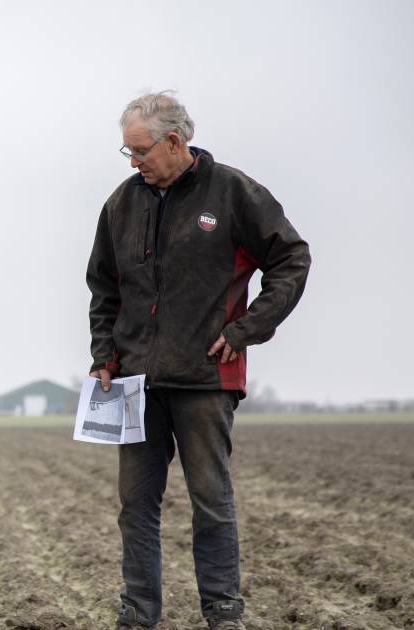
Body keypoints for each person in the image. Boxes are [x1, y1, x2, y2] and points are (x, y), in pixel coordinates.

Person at [86, 92, 310, 630]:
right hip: (136, 381)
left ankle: (222, 613)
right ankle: (138, 614)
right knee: (135, 506)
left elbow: (291, 258)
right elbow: (103, 287)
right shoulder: (121, 203)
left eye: (139, 150)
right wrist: (104, 356)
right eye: (127, 152)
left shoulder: (232, 192)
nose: (133, 161)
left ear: (174, 141)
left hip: (206, 379)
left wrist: (246, 329)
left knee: (211, 500)